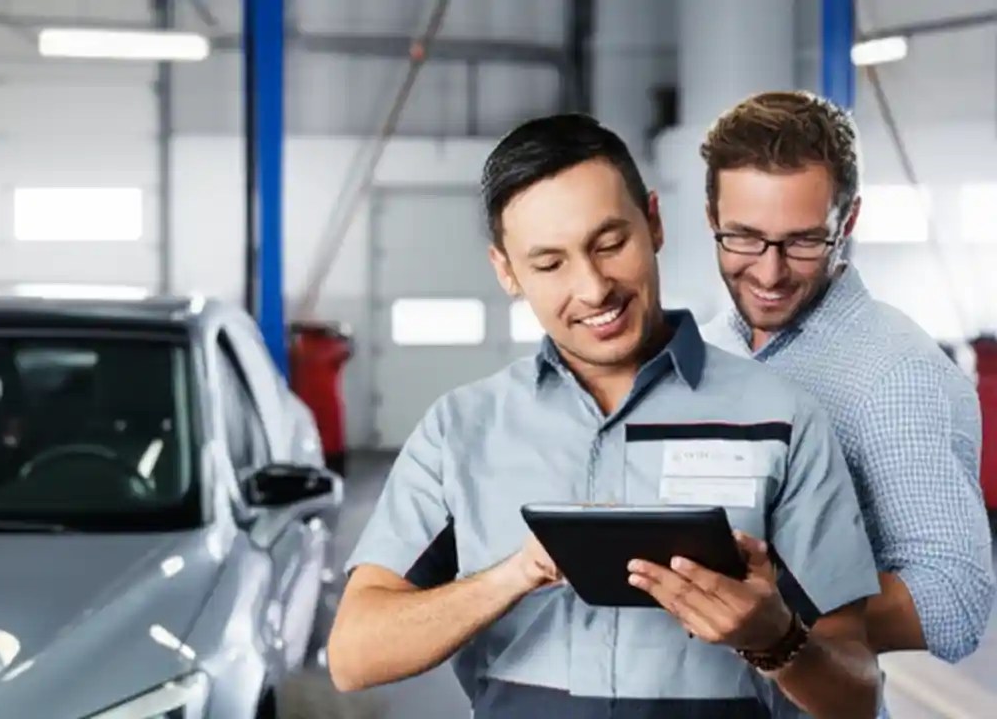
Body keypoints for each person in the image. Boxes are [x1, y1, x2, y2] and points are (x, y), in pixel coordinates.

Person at [327, 114, 883, 718]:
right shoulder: (460, 431)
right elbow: (355, 655)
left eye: (610, 243)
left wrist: (778, 641)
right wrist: (512, 576)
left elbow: (859, 694)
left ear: (654, 222)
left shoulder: (783, 420)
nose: (593, 288)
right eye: (549, 264)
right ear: (506, 271)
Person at [699, 90, 995, 664]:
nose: (769, 271)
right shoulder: (705, 349)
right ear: (711, 216)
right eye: (743, 236)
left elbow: (956, 599)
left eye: (804, 241)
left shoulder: (895, 374)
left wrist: (781, 616)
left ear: (849, 218)